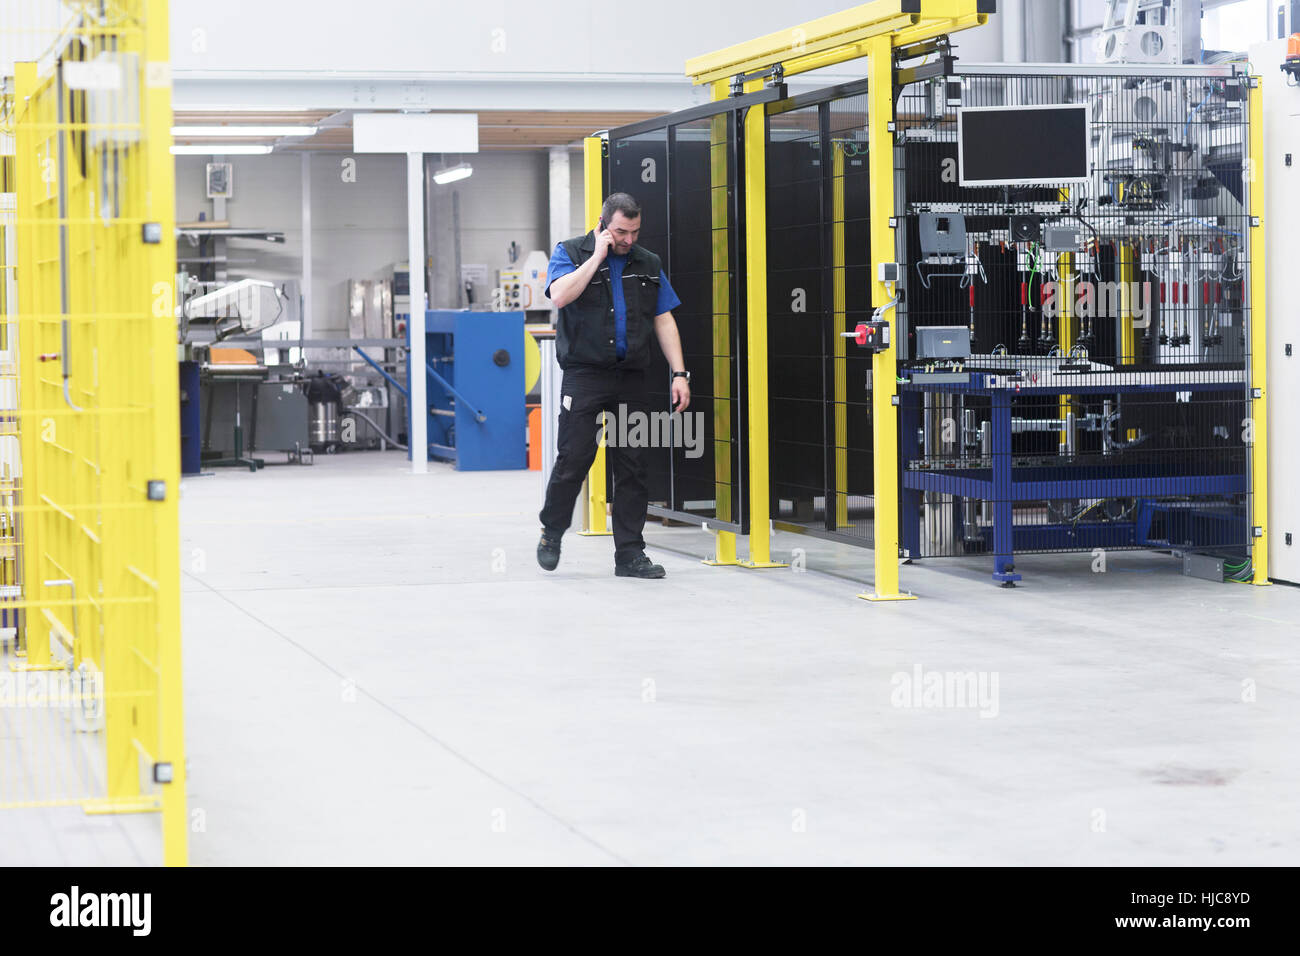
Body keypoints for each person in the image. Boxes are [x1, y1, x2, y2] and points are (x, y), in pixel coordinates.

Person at [536, 192, 691, 578]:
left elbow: (664, 319)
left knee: (634, 466)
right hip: (585, 375)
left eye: (635, 232)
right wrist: (596, 258)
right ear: (603, 225)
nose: (628, 240)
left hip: (632, 378)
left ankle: (630, 554)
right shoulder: (570, 252)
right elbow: (560, 296)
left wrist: (679, 373)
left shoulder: (648, 263)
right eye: (621, 232)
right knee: (574, 459)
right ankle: (552, 532)